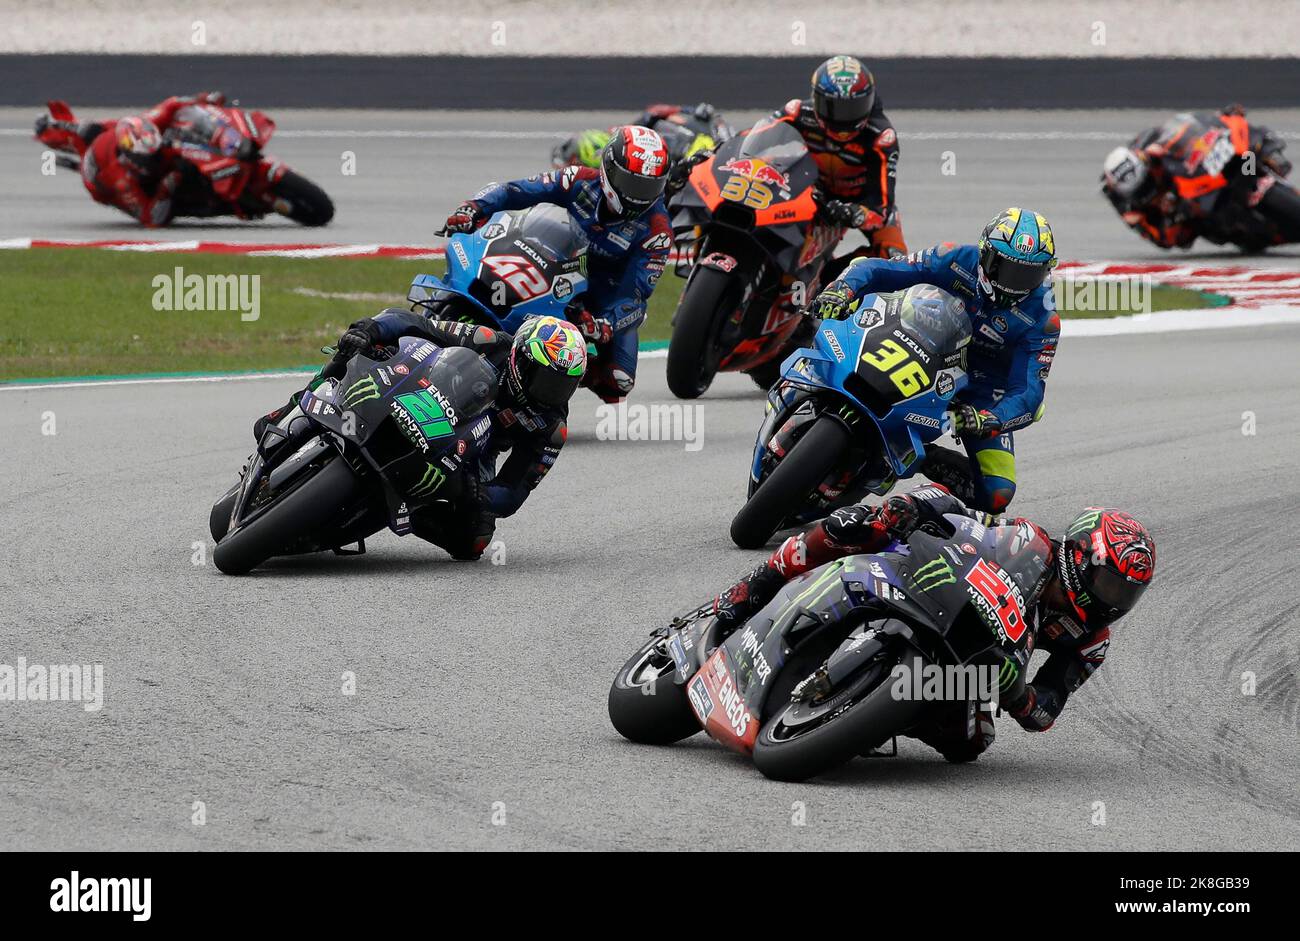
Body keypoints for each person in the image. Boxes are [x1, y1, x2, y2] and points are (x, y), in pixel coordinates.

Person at [680, 483, 1156, 761]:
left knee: (973, 743)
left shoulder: (1091, 640)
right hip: (927, 586)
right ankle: (750, 591)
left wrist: (1019, 693)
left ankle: (869, 711)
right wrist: (917, 506)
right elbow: (966, 514)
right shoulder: (1028, 542)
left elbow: (1047, 709)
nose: (1114, 600)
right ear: (1078, 559)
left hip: (972, 662)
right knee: (857, 524)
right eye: (1110, 584)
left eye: (1126, 593)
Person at [255, 311, 587, 561]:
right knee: (356, 346)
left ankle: (411, 511)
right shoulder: (489, 341)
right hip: (424, 390)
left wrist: (479, 494)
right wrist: (373, 329)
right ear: (520, 359)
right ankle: (293, 406)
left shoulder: (551, 426)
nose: (553, 393)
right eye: (545, 379)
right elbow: (419, 324)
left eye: (564, 385)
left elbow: (515, 491)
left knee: (474, 541)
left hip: (472, 451)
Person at [807, 207, 1060, 514]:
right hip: (923, 346)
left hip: (977, 393)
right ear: (984, 255)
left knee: (997, 493)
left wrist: (989, 419)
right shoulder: (952, 257)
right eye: (1005, 268)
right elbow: (879, 269)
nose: (1014, 283)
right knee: (856, 277)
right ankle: (812, 384)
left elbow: (1029, 394)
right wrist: (841, 291)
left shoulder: (1043, 319)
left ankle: (922, 456)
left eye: (1028, 274)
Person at [445, 125, 672, 402]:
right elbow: (516, 190)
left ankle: (542, 391)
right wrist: (475, 206)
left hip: (602, 293)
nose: (639, 195)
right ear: (609, 169)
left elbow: (635, 297)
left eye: (649, 186)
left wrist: (605, 324)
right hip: (558, 257)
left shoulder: (657, 232)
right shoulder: (577, 180)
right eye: (634, 183)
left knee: (618, 381)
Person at [772, 55, 908, 275]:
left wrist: (854, 213)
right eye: (832, 107)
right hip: (805, 189)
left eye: (853, 107)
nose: (842, 119)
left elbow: (881, 207)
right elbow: (755, 137)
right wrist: (720, 151)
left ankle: (833, 279)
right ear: (816, 99)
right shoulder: (797, 112)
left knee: (896, 259)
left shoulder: (881, 137)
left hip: (856, 202)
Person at [1101, 104, 1298, 249]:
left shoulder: (1147, 145)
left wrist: (1216, 123)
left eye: (1146, 181)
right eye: (1141, 188)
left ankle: (1265, 154)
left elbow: (1182, 130)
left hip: (1206, 173)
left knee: (1251, 144)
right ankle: (1263, 234)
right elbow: (1163, 239)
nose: (1147, 188)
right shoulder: (1128, 208)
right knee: (1220, 226)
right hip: (1194, 207)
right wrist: (1174, 217)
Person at [35, 91, 227, 227]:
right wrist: (167, 186)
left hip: (110, 136)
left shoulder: (143, 126)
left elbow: (172, 104)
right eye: (148, 156)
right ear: (132, 158)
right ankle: (51, 136)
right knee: (167, 212)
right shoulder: (122, 182)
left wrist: (203, 100)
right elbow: (150, 219)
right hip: (100, 184)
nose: (153, 158)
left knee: (89, 129)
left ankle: (57, 127)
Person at [552, 102, 732, 171]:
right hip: (690, 166)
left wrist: (693, 112)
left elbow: (656, 112)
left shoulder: (622, 134)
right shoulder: (609, 178)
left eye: (574, 163)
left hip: (702, 147)